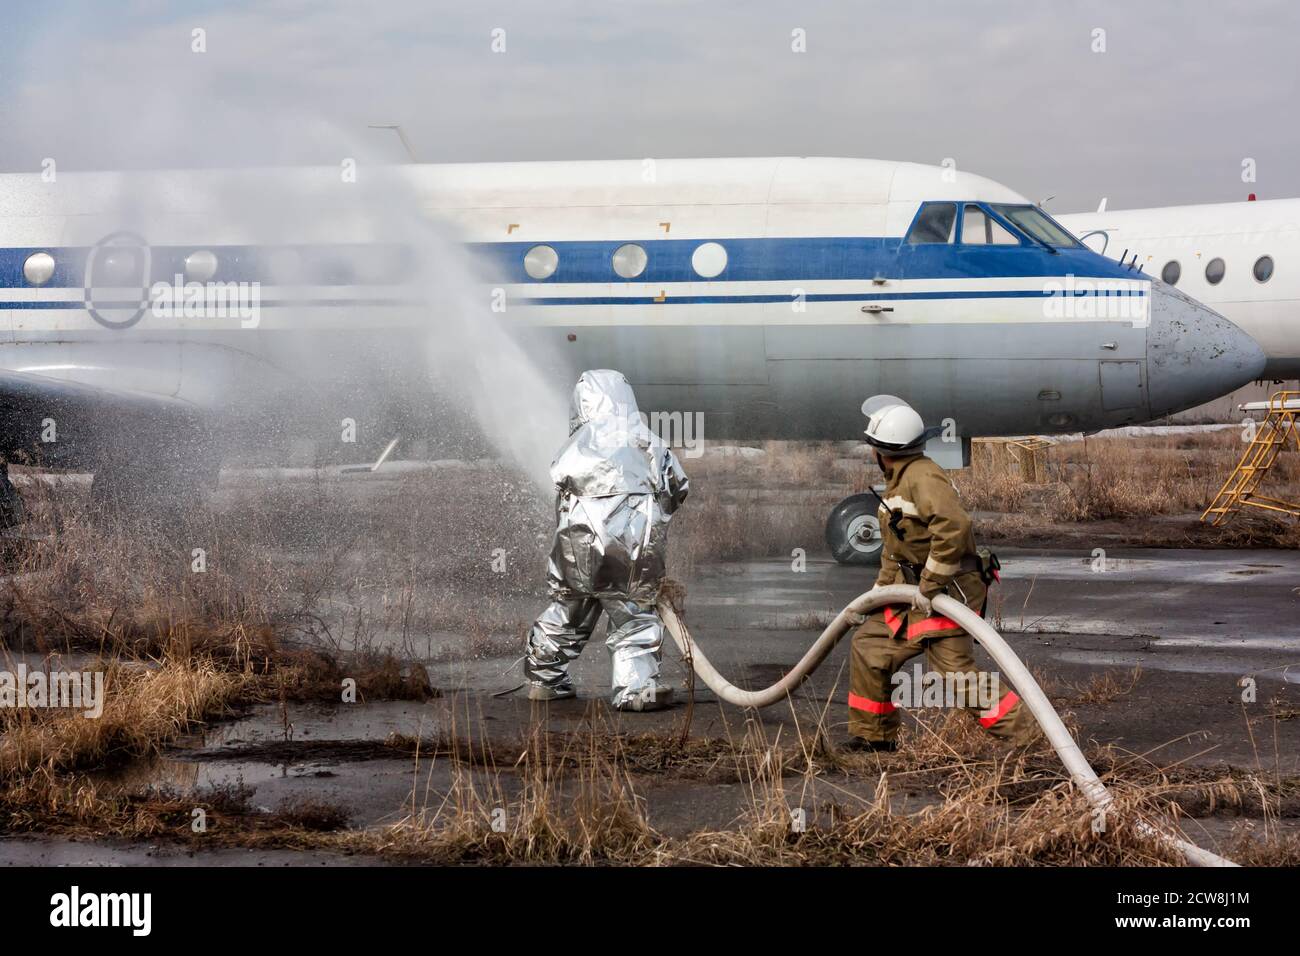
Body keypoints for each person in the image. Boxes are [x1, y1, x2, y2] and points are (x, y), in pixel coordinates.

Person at [846, 395, 1034, 751]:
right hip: (911, 594)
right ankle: (873, 739)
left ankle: (1028, 739)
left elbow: (953, 527)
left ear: (880, 450)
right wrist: (872, 600)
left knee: (957, 675)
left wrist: (929, 586)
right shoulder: (900, 481)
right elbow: (895, 551)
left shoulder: (923, 476)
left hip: (948, 593)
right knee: (869, 646)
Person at [524, 369, 689, 711]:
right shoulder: (648, 442)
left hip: (576, 556)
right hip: (628, 559)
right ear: (626, 400)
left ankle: (543, 679)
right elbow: (678, 488)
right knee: (634, 619)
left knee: (568, 614)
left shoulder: (571, 447)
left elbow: (560, 494)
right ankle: (634, 690)